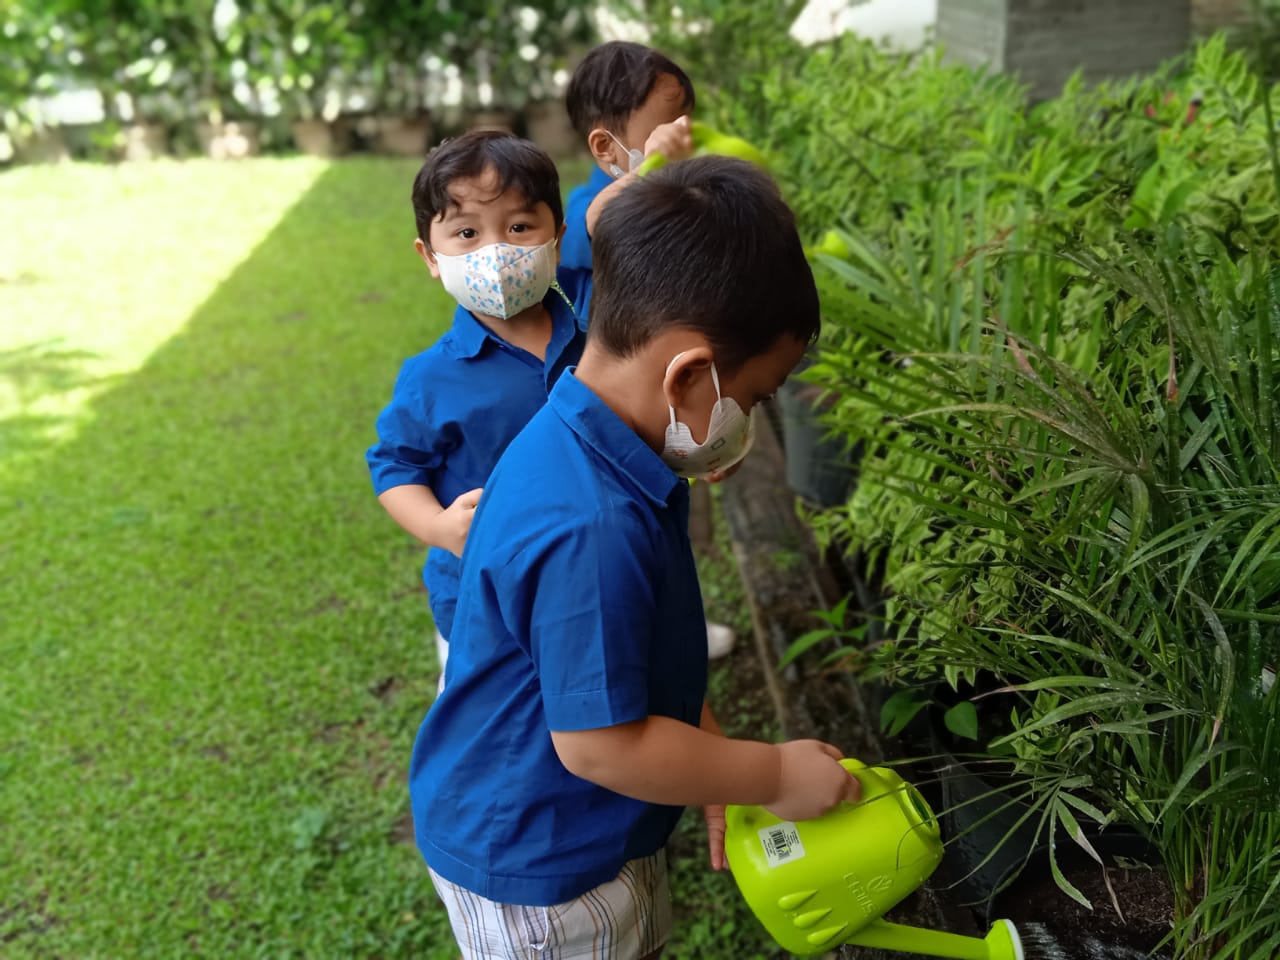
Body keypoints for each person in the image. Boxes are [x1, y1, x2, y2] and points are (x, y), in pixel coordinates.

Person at [411, 156, 862, 960]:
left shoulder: (599, 433)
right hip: (544, 859)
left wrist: (711, 758)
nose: (749, 419)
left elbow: (637, 652)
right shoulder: (591, 523)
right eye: (754, 396)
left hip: (585, 821)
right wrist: (768, 774)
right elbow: (600, 746)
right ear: (687, 374)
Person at [366, 130, 586, 682]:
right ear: (431, 257)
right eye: (466, 232)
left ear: (556, 238)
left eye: (518, 227)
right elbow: (394, 468)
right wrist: (439, 527)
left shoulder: (599, 340)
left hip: (586, 567)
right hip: (479, 593)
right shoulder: (432, 378)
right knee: (487, 707)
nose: (495, 251)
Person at [561, 41, 741, 659]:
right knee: (613, 525)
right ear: (607, 147)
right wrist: (651, 170)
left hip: (658, 395)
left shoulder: (671, 200)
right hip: (605, 399)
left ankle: (678, 623)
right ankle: (620, 635)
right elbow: (603, 221)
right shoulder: (593, 201)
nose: (684, 130)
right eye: (668, 119)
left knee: (670, 514)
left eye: (688, 113)